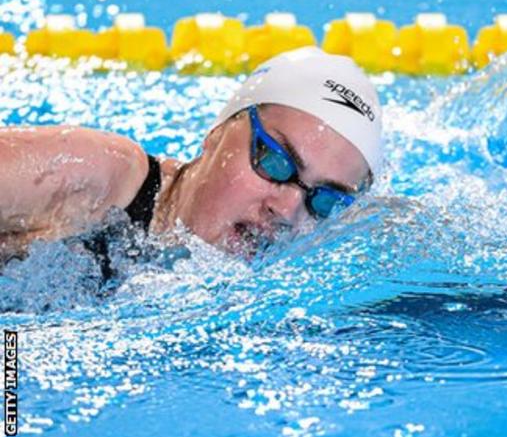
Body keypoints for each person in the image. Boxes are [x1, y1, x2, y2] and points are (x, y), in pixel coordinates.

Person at [0, 46, 383, 277]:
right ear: (216, 134)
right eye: (275, 162)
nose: (286, 210)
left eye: (324, 200)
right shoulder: (98, 178)